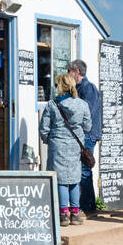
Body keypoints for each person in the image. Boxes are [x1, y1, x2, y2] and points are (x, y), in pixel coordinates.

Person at [38, 72, 92, 226]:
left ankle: (63, 215)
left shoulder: (52, 105)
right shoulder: (82, 104)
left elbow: (44, 128)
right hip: (76, 145)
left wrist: (49, 140)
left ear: (60, 86)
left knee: (61, 180)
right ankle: (75, 213)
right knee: (74, 179)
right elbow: (88, 126)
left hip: (57, 145)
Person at [67, 60, 101, 216]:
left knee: (85, 170)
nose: (68, 74)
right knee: (81, 171)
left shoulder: (88, 88)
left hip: (87, 135)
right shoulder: (78, 88)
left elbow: (86, 113)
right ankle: (87, 205)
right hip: (81, 135)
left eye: (69, 71)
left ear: (77, 71)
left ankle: (87, 207)